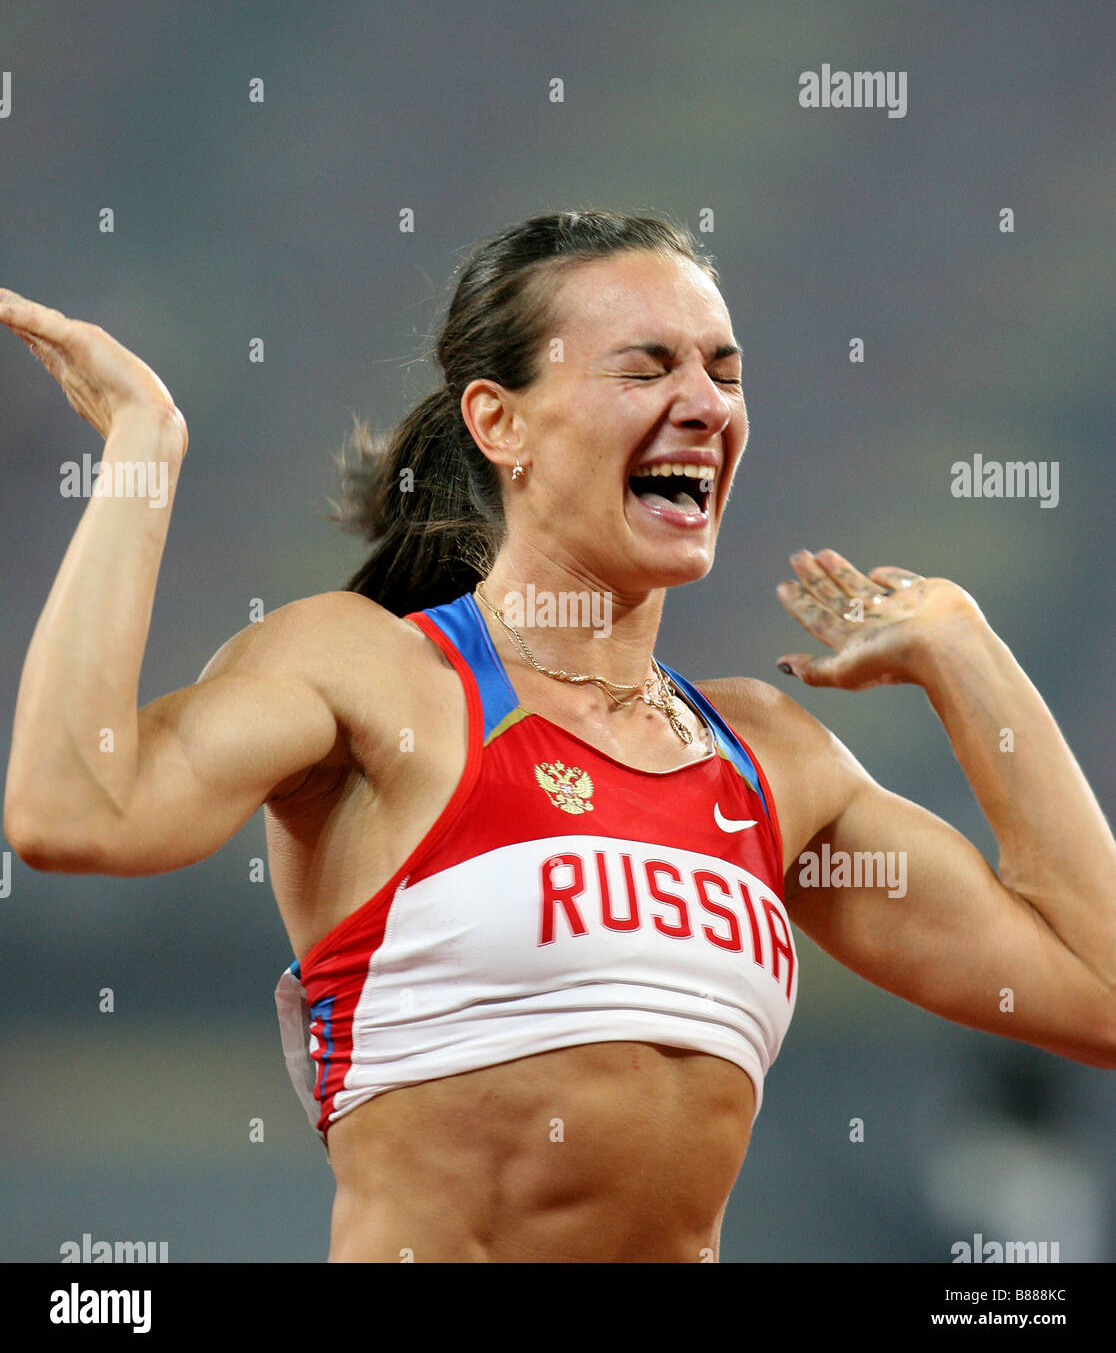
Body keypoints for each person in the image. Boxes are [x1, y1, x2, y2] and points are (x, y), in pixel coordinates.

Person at [2, 211, 1113, 1264]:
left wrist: (967, 655)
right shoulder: (375, 677)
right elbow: (70, 809)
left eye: (724, 372)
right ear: (501, 421)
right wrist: (143, 452)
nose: (706, 406)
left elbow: (1099, 996)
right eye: (647, 368)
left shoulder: (773, 761)